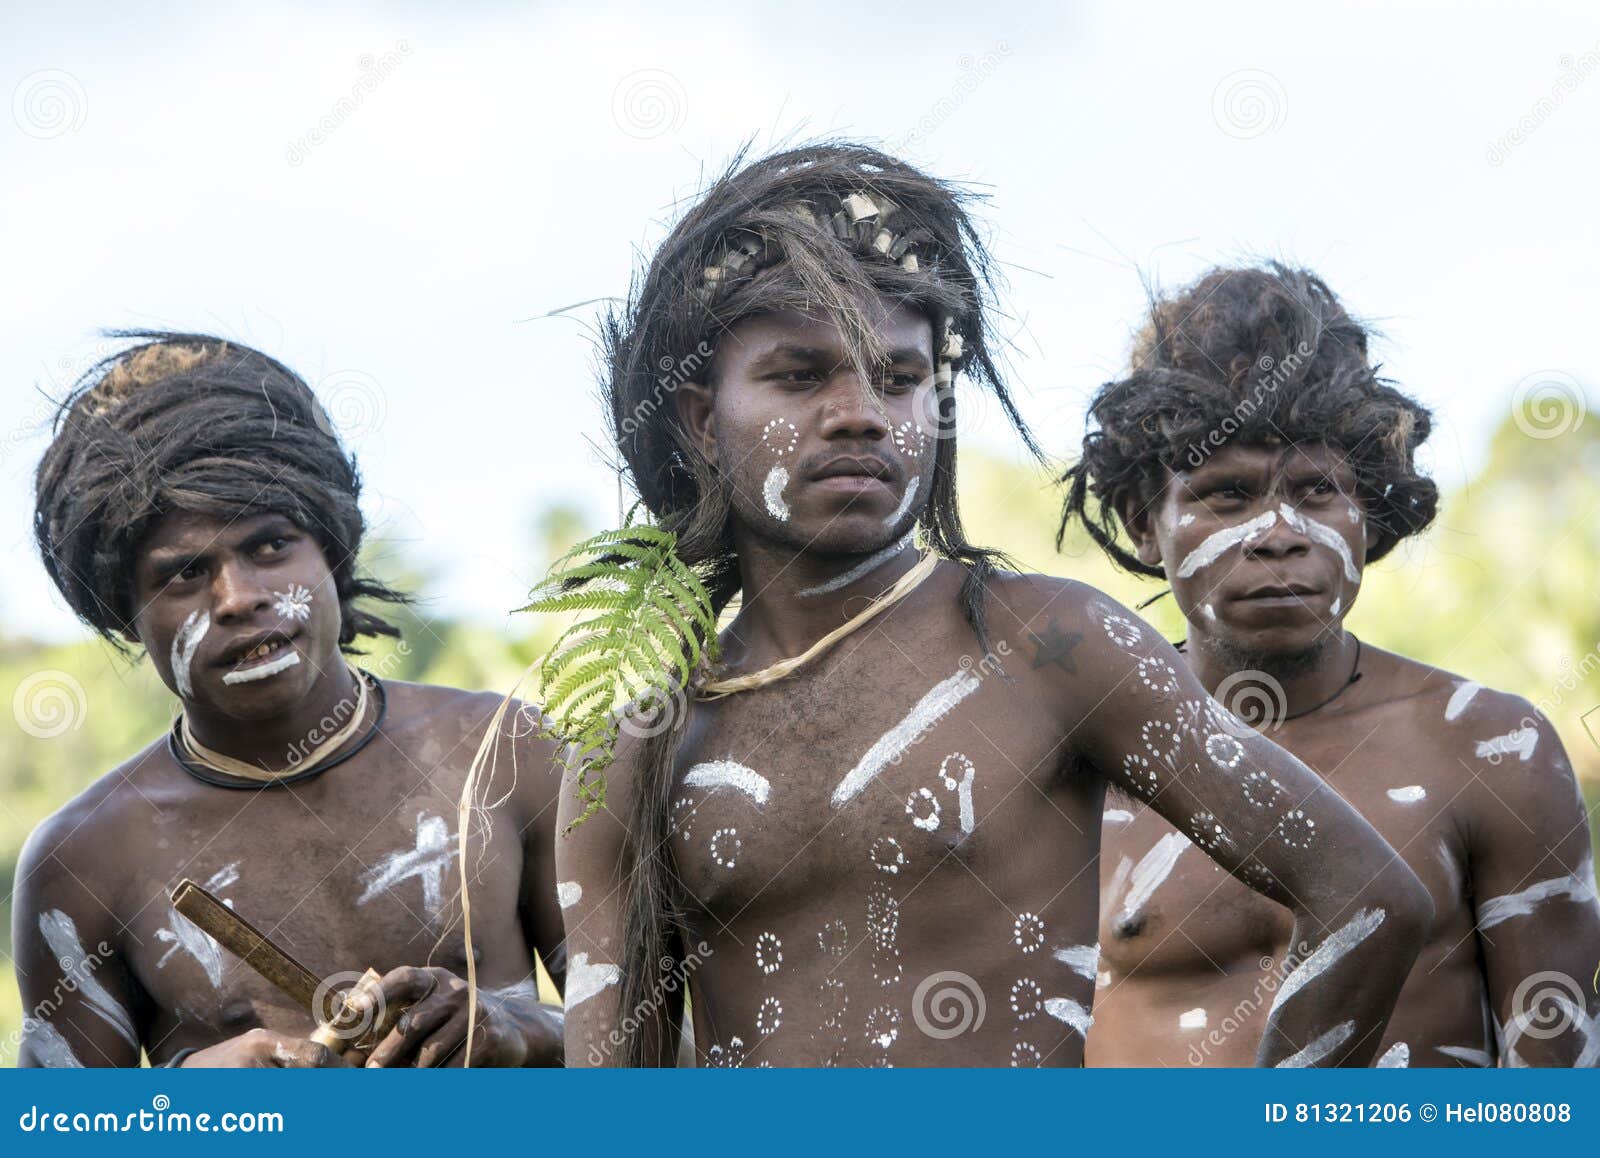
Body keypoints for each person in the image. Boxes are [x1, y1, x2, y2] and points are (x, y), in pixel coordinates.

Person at [554, 146, 1432, 1068]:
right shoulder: (640, 744)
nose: (860, 412)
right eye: (802, 375)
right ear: (699, 418)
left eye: (898, 378)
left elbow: (1365, 894)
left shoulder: (1050, 646)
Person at [1061, 264, 1600, 1067]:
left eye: (1316, 491)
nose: (1279, 533)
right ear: (1147, 523)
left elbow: (1560, 1100)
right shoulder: (1076, 762)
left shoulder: (1492, 752)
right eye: (1227, 494)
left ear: (1366, 510)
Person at [15, 333, 566, 1067]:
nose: (240, 597)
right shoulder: (85, 858)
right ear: (126, 613)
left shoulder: (507, 754)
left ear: (333, 550)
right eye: (183, 574)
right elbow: (58, 1133)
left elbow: (682, 1056)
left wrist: (519, 1030)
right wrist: (186, 1099)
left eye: (271, 545)